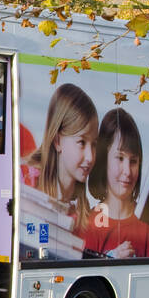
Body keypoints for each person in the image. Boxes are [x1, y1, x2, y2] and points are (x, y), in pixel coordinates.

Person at [81, 108, 149, 258]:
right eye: (120, 158)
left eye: (134, 161)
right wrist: (112, 259)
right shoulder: (88, 225)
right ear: (103, 160)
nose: (128, 171)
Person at [22, 83, 98, 234]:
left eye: (94, 144)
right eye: (81, 142)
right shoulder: (24, 183)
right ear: (57, 141)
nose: (90, 157)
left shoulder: (85, 211)